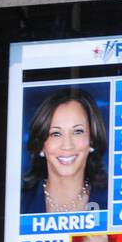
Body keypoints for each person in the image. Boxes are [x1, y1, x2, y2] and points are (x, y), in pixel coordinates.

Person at [21, 87, 109, 215]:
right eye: (56, 133)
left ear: (92, 139)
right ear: (41, 145)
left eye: (77, 132)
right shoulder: (20, 203)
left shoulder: (112, 200)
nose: (67, 145)